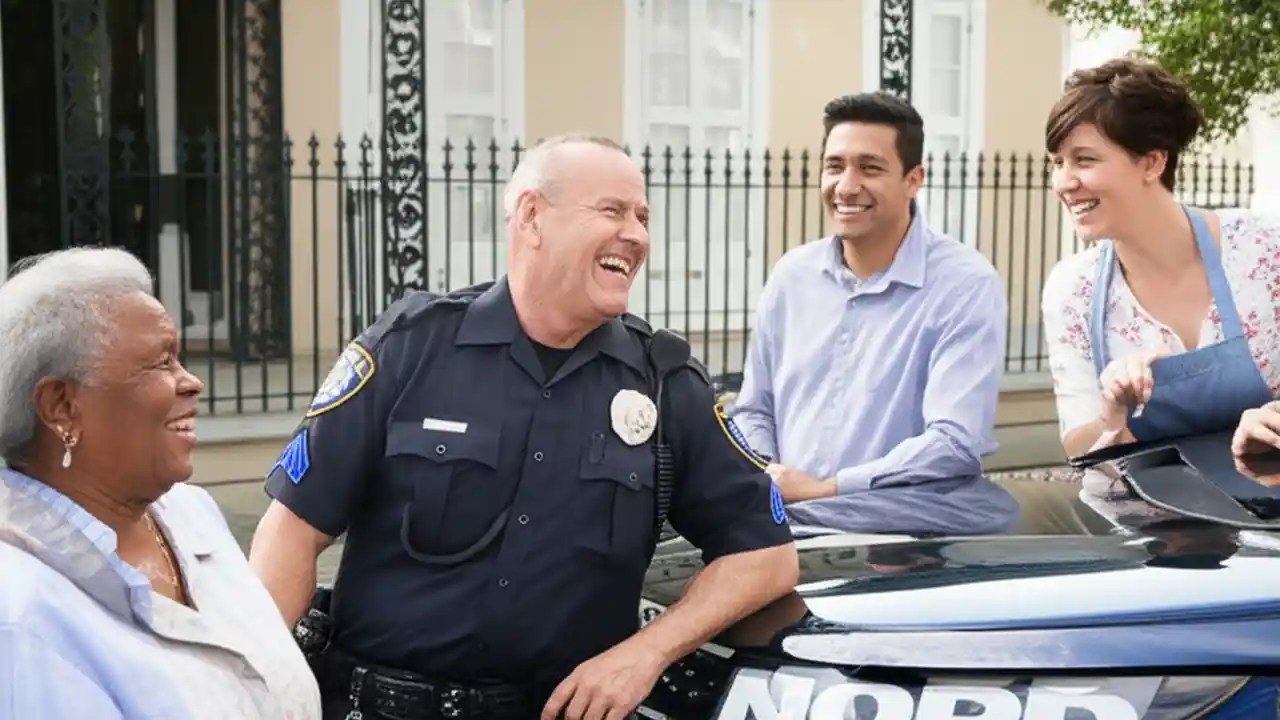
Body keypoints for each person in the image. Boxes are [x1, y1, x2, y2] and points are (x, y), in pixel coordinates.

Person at [248, 134, 799, 720]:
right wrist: (259, 685)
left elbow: (766, 555)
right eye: (612, 211)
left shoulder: (665, 383)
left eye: (642, 216)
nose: (636, 235)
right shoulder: (410, 348)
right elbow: (291, 533)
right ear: (533, 217)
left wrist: (647, 652)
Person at [0, 248, 321, 719]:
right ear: (62, 407)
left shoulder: (191, 515)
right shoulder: (21, 615)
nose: (191, 382)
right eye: (159, 363)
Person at [727, 92, 1020, 537]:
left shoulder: (965, 284)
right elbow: (755, 408)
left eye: (870, 168)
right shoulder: (791, 276)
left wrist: (826, 489)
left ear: (913, 179)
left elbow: (955, 443)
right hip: (781, 530)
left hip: (899, 542)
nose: (846, 186)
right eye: (834, 166)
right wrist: (770, 476)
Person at [1041, 57, 1280, 459]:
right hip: (1152, 517)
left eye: (1084, 160)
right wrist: (1111, 414)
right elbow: (1079, 451)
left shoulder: (1264, 249)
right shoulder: (1072, 291)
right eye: (1057, 163)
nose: (1065, 183)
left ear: (1152, 162)